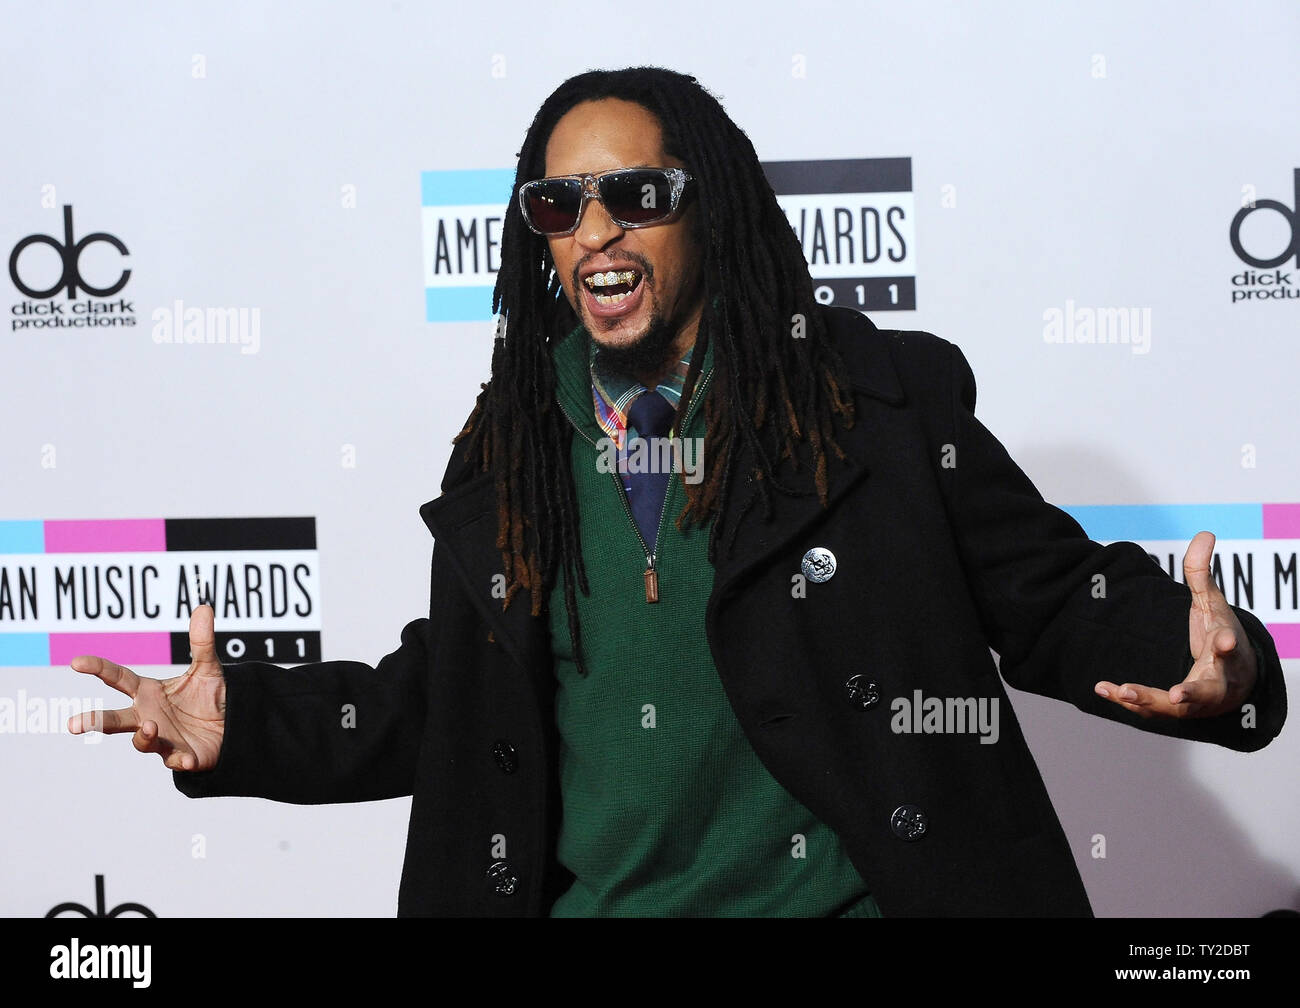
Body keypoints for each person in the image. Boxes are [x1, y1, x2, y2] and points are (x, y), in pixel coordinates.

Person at [68, 66, 1286, 917]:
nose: (596, 228)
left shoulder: (866, 404)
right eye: (559, 205)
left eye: (635, 196)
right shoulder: (510, 449)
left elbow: (1051, 595)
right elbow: (455, 696)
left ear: (703, 206)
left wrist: (1196, 659)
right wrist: (252, 729)